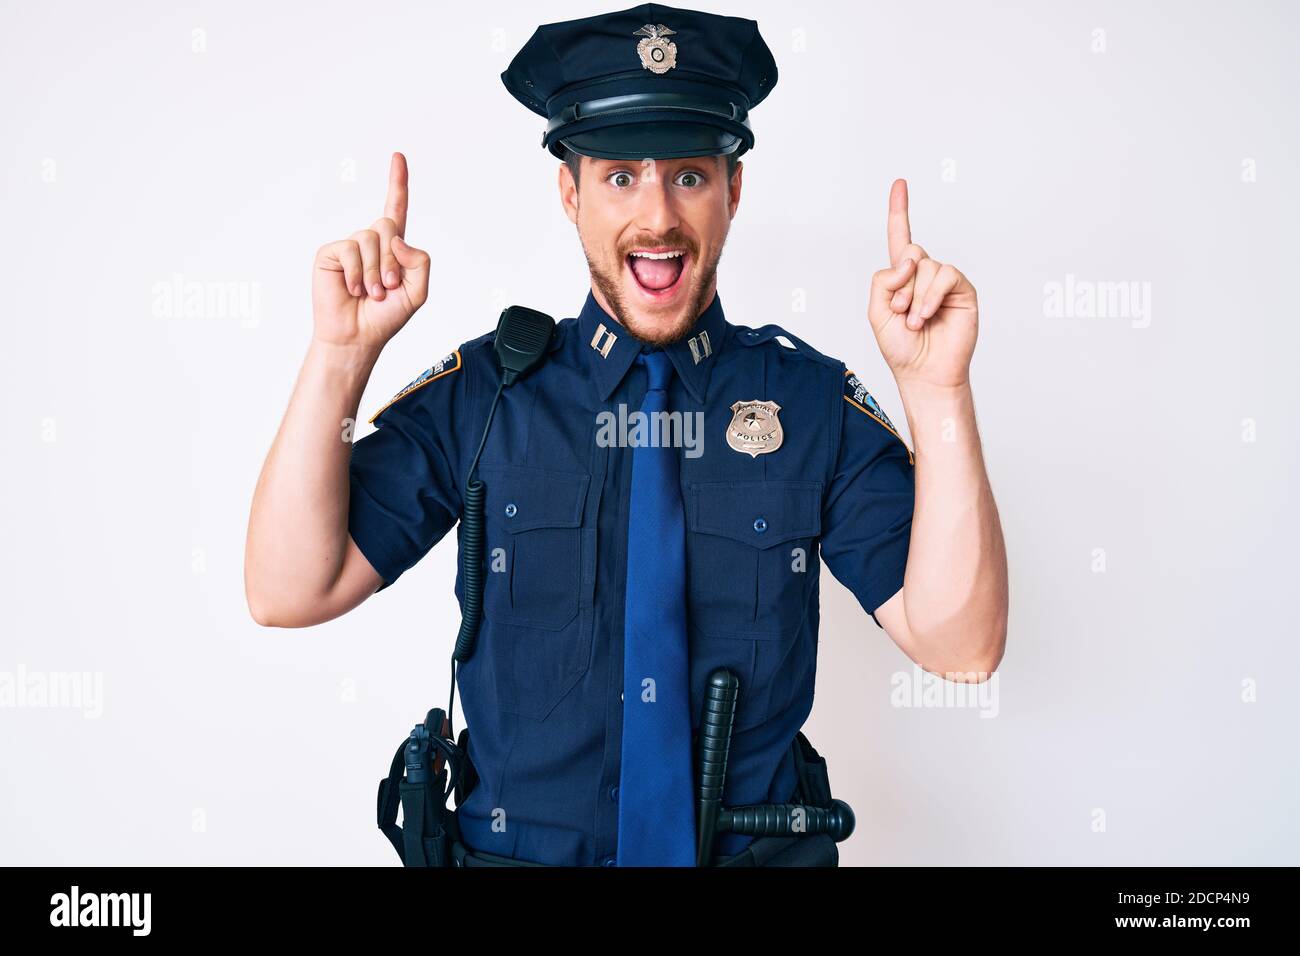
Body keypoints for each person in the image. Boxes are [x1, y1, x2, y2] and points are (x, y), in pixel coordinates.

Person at [244, 3, 1008, 867]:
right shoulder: (489, 395)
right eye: (618, 177)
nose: (657, 218)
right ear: (568, 192)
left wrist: (937, 392)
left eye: (688, 175)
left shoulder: (807, 401)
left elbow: (963, 646)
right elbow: (287, 591)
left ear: (733, 191)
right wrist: (339, 357)